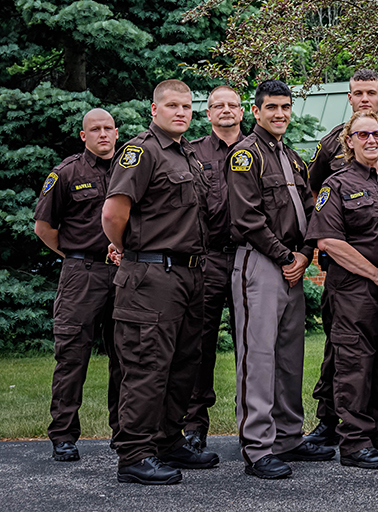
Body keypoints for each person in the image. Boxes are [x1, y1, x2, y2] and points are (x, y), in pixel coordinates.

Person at [101, 80, 220, 484]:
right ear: (154, 111)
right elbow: (114, 214)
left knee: (184, 363)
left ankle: (168, 441)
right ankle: (135, 455)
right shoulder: (141, 151)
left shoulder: (187, 155)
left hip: (189, 273)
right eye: (172, 105)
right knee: (147, 364)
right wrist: (127, 250)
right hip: (151, 275)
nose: (181, 112)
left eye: (187, 106)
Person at [304, 68, 378, 447]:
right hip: (353, 286)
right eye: (362, 134)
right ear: (348, 142)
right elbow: (323, 225)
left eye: (377, 135)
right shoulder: (336, 179)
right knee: (350, 362)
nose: (371, 139)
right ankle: (351, 438)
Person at [227, 79, 334, 480]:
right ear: (255, 112)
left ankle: (288, 437)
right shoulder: (245, 154)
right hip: (261, 263)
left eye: (286, 107)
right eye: (271, 107)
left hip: (293, 264)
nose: (280, 114)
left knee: (289, 357)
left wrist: (305, 254)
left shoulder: (292, 157)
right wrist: (286, 256)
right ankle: (257, 448)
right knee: (258, 357)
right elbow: (246, 217)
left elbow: (311, 211)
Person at [34, 108, 122, 462]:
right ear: (83, 136)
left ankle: (125, 432)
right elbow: (44, 228)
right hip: (81, 275)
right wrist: (73, 255)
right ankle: (64, 435)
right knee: (72, 355)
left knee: (126, 356)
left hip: (123, 273)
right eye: (95, 130)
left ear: (117, 132)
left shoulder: (129, 169)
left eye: (108, 128)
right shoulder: (67, 173)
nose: (103, 134)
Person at [183, 85, 246, 450]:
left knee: (251, 344)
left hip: (247, 257)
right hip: (205, 258)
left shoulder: (256, 151)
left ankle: (251, 424)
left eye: (232, 105)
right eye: (217, 105)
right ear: (207, 114)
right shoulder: (192, 153)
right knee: (199, 342)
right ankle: (194, 426)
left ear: (242, 111)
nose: (225, 110)